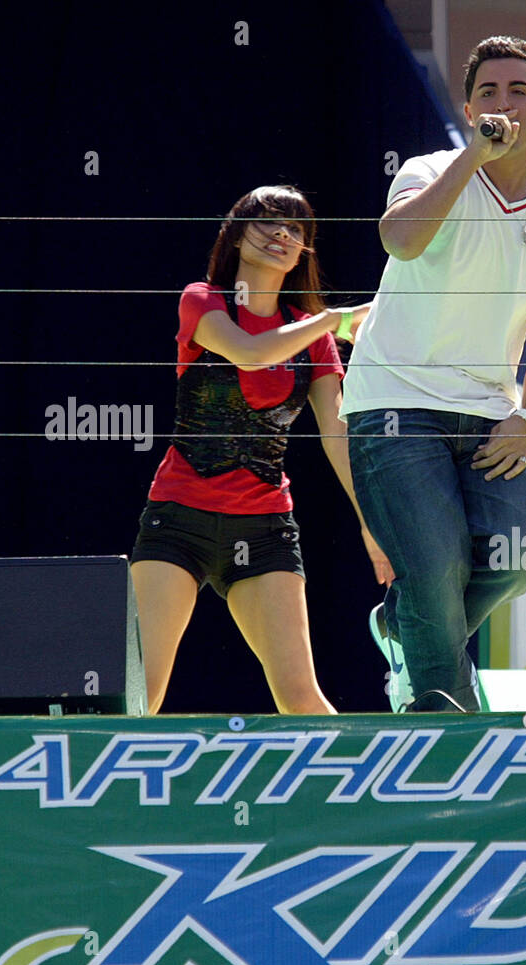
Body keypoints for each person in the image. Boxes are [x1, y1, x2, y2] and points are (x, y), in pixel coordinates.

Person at [342, 35, 526, 712]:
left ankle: (404, 630)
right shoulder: (430, 171)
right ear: (467, 107)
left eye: (518, 92)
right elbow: (401, 240)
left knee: (519, 560)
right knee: (435, 568)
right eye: (488, 92)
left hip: (489, 410)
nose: (503, 104)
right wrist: (474, 157)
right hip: (393, 402)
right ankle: (448, 732)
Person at [130, 185, 392, 715]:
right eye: (269, 221)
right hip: (178, 520)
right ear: (236, 234)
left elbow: (335, 433)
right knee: (141, 694)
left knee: (301, 698)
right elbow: (250, 355)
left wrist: (372, 525)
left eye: (296, 229)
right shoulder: (202, 301)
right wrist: (331, 319)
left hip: (267, 528)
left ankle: (356, 795)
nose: (282, 234)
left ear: (303, 252)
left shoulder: (313, 339)